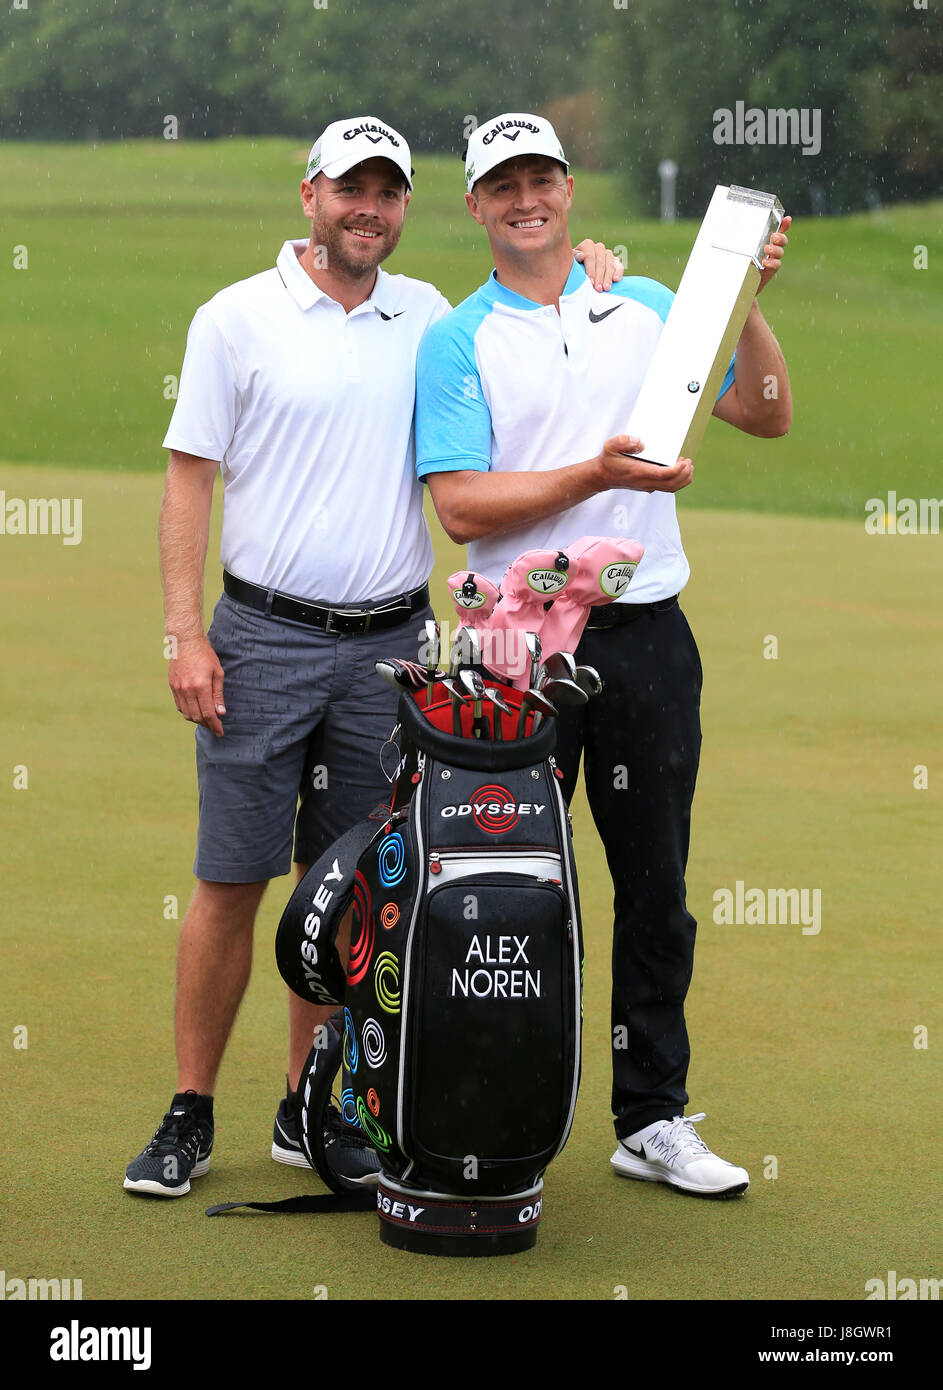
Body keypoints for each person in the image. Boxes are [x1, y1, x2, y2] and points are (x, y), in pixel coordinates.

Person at [124, 115, 622, 1198]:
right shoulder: (235, 318)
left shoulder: (431, 318)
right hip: (258, 636)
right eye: (351, 187)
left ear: (405, 207)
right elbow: (187, 482)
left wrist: (588, 269)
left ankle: (316, 1110)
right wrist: (184, 633)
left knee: (349, 885)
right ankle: (189, 1109)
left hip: (391, 645)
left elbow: (529, 314)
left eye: (388, 191)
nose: (369, 207)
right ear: (308, 193)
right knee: (229, 878)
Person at [415, 112, 792, 1198]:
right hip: (512, 644)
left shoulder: (645, 307)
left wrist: (744, 308)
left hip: (645, 637)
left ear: (569, 189)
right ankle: (491, 1113)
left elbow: (761, 414)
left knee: (655, 885)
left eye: (542, 178)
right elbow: (459, 504)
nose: (525, 198)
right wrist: (595, 475)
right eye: (503, 185)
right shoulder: (458, 339)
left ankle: (652, 1117)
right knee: (501, 889)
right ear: (478, 205)